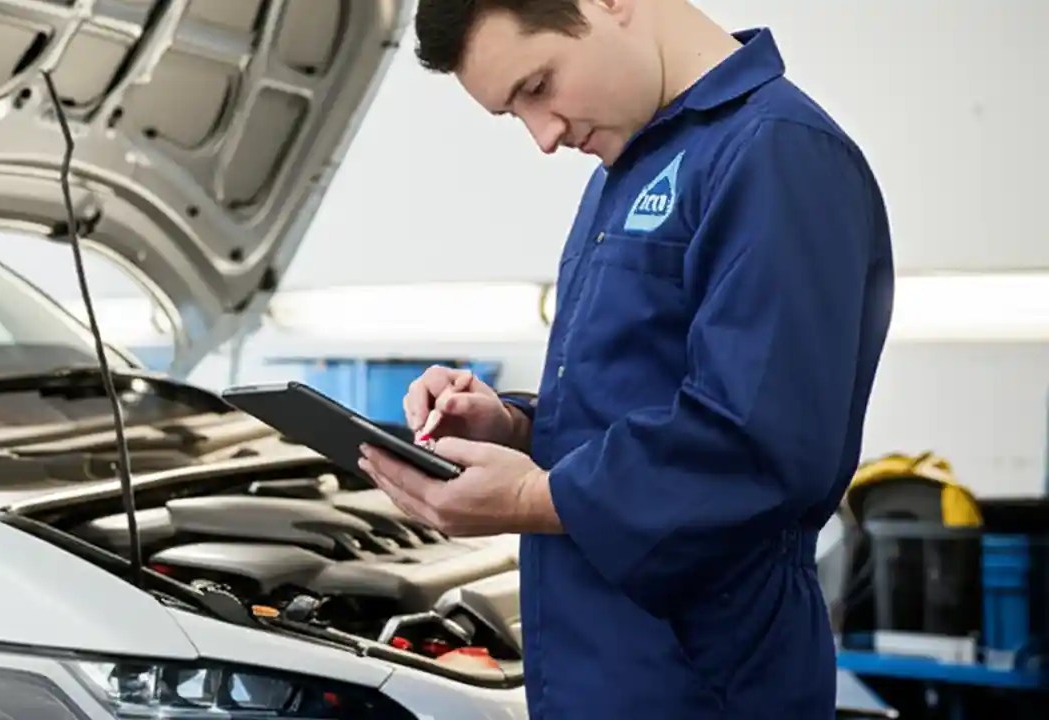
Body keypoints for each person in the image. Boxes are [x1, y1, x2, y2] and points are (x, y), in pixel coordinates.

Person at [355, 0, 895, 718]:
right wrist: (514, 428)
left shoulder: (779, 155)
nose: (543, 136)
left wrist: (530, 498)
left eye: (537, 87)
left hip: (708, 675)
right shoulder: (632, 167)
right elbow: (635, 400)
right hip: (602, 666)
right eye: (514, 113)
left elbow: (754, 441)